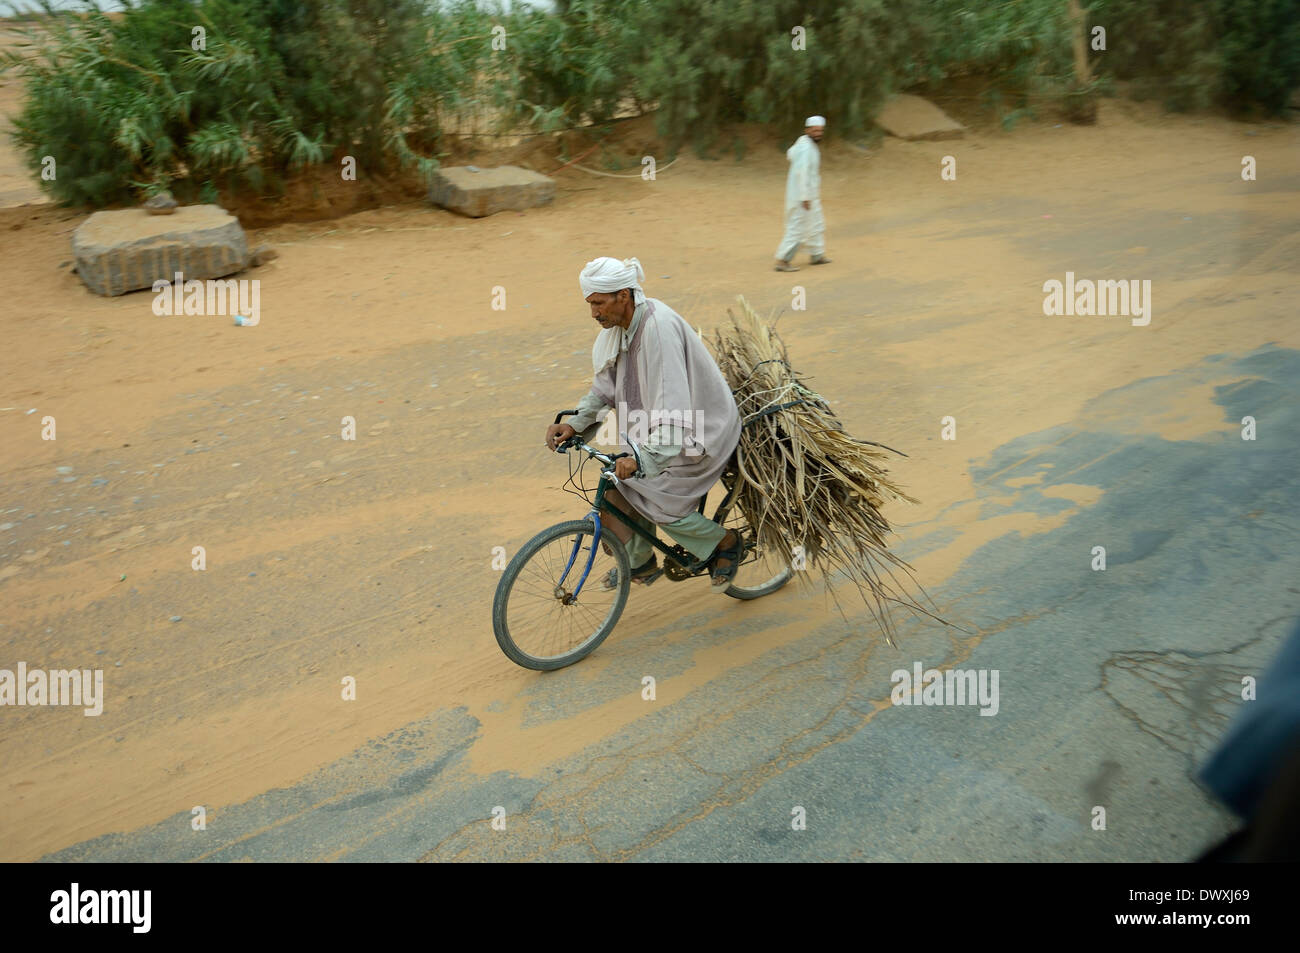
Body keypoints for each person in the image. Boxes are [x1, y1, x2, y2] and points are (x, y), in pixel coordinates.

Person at [544, 256, 744, 592]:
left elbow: (674, 409)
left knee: (656, 497)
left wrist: (643, 458)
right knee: (619, 485)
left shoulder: (657, 330)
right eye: (589, 304)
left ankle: (724, 543)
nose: (593, 313)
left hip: (698, 433)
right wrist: (577, 424)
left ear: (623, 295)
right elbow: (606, 385)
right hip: (655, 430)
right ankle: (640, 563)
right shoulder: (621, 329)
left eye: (598, 303)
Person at [774, 115, 831, 272]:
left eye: (820, 130)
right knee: (797, 227)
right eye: (815, 130)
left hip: (811, 193)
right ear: (807, 130)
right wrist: (805, 196)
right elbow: (802, 173)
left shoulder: (806, 144)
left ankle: (816, 255)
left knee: (816, 223)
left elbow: (791, 154)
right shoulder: (806, 147)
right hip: (802, 195)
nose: (818, 133)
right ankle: (783, 261)